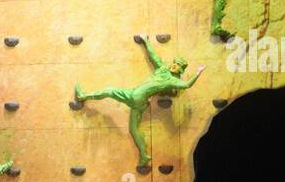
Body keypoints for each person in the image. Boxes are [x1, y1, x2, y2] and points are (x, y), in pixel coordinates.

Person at [74, 37, 204, 166]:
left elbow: (186, 85)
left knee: (110, 90)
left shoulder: (172, 80)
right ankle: (144, 155)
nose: (174, 66)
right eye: (174, 63)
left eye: (177, 66)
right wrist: (146, 41)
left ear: (179, 70)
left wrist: (197, 73)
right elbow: (154, 56)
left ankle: (83, 96)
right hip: (139, 102)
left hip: (136, 96)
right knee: (133, 128)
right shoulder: (162, 69)